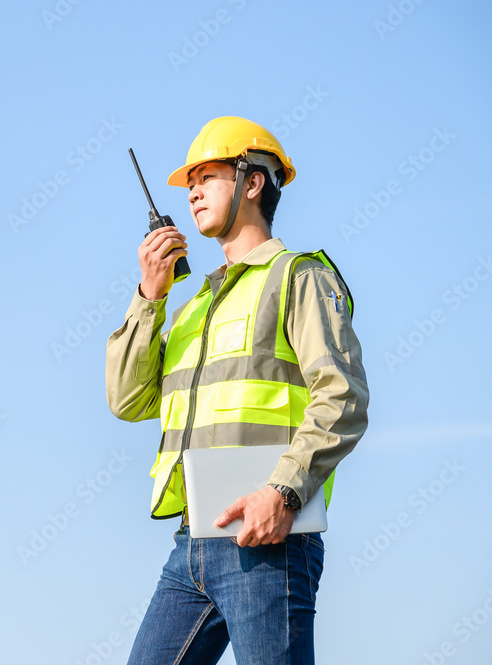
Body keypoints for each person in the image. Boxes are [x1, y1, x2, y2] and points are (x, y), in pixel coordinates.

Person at [105, 116, 369, 665]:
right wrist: (149, 297)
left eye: (207, 176)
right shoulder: (191, 310)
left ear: (252, 182)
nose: (193, 191)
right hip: (191, 545)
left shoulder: (298, 277)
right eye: (190, 182)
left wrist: (284, 492)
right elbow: (128, 400)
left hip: (270, 538)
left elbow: (341, 397)